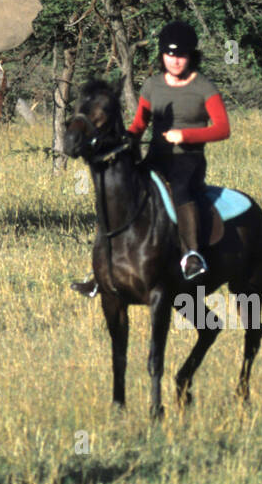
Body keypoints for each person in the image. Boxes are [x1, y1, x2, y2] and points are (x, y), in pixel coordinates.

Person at [71, 20, 231, 296]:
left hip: (188, 160)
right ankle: (102, 271)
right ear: (161, 55)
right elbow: (139, 124)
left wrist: (186, 136)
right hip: (156, 156)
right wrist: (128, 138)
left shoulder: (205, 88)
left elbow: (223, 128)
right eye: (170, 55)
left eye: (181, 55)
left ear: (191, 56)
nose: (175, 61)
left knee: (180, 190)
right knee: (120, 193)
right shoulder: (152, 86)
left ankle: (192, 256)